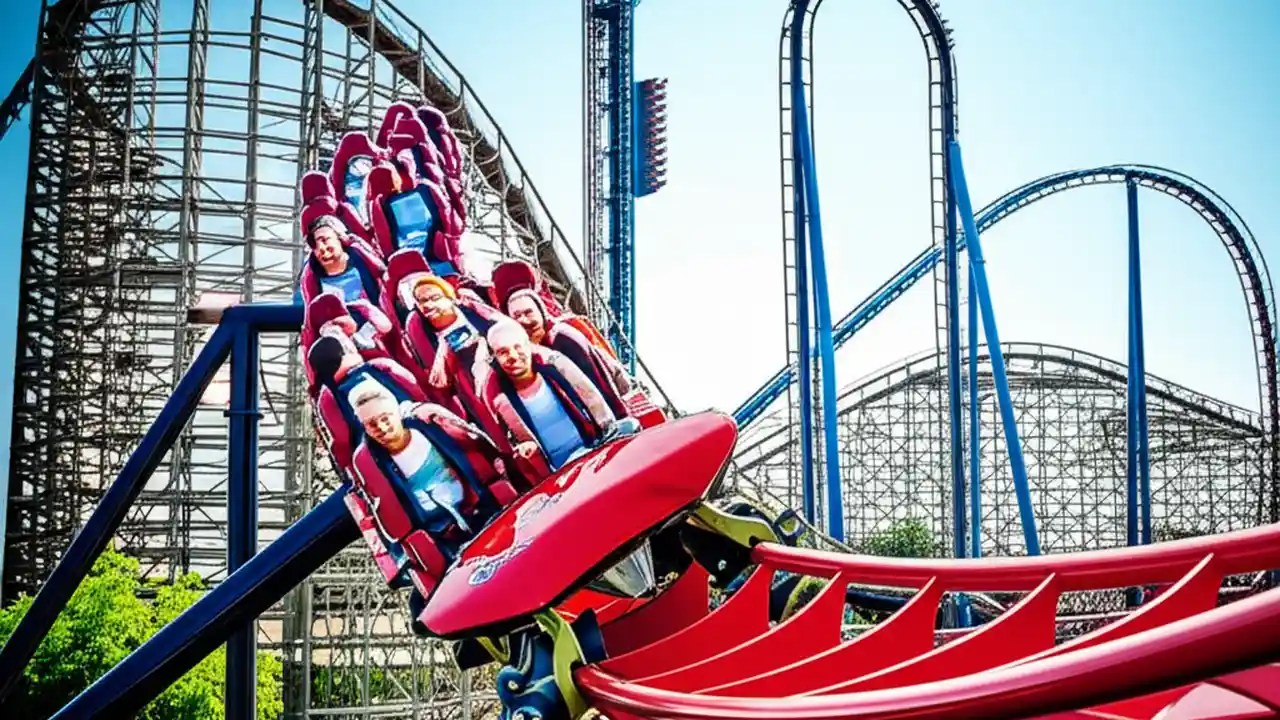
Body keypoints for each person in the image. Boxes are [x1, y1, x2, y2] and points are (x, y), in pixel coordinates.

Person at [348, 383, 519, 565]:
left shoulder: (430, 425)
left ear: (397, 413)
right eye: (371, 424)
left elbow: (481, 446)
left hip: (486, 510)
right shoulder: (373, 465)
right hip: (446, 543)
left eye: (385, 418)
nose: (381, 427)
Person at [481, 321, 638, 478]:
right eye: (503, 352)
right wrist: (523, 450)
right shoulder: (498, 399)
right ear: (494, 358)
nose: (513, 356)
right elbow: (506, 445)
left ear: (528, 345)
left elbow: (591, 396)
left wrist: (608, 431)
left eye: (518, 347)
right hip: (559, 472)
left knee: (630, 426)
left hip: (594, 445)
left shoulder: (554, 366)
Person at [504, 288, 634, 420]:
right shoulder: (529, 352)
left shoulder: (562, 338)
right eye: (517, 316)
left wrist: (616, 418)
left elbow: (598, 381)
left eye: (528, 313)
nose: (524, 320)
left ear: (541, 312)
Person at [307, 333, 426, 469]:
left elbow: (343, 444)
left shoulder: (329, 400)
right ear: (343, 353)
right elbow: (415, 390)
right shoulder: (378, 367)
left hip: (387, 466)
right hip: (423, 439)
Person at [298, 215, 387, 306]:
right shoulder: (310, 273)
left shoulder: (359, 255)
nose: (321, 248)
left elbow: (382, 273)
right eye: (314, 244)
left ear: (341, 239)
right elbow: (311, 311)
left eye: (325, 240)